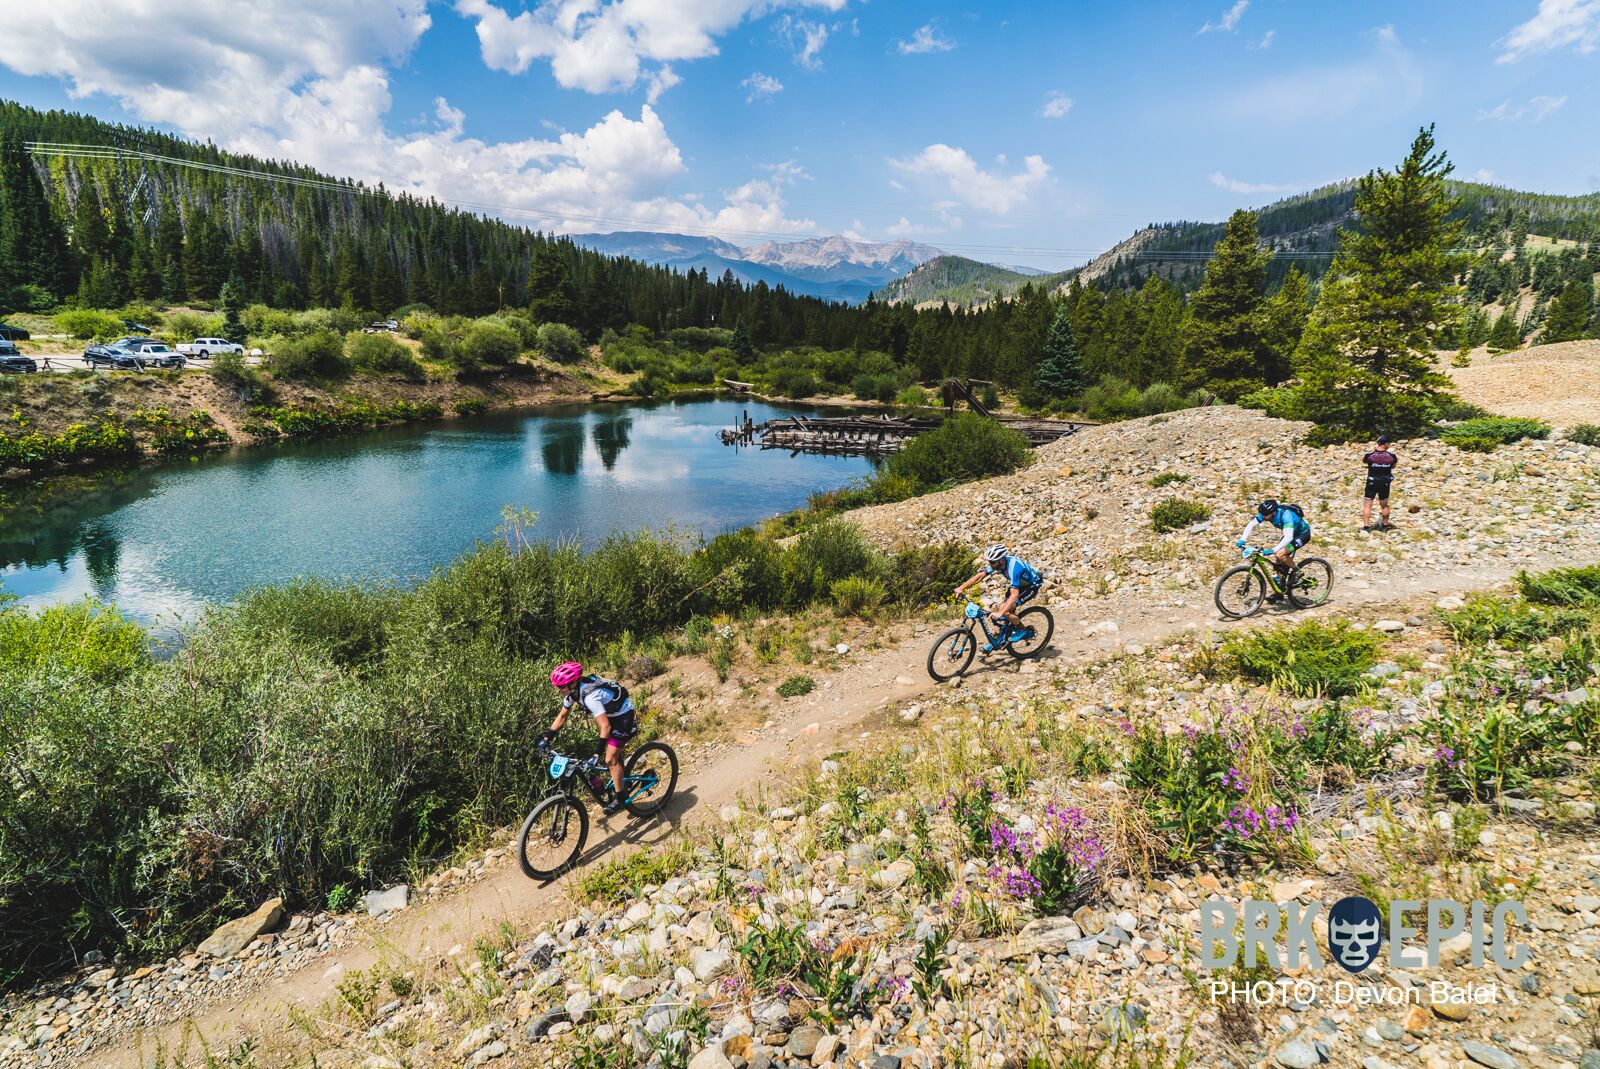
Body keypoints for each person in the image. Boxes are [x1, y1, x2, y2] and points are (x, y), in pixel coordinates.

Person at [544, 662, 638, 814]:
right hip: (609, 714)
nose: (558, 690)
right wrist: (546, 738)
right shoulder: (572, 694)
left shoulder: (590, 697)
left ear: (573, 683)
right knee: (610, 754)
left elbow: (605, 727)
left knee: (610, 758)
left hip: (623, 716)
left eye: (561, 686)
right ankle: (622, 780)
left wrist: (596, 754)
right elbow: (562, 716)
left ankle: (620, 798)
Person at [954, 543, 1044, 649]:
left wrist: (1001, 613)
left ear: (1001, 560)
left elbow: (1014, 595)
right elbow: (980, 576)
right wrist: (961, 588)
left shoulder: (1014, 568)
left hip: (1030, 587)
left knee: (1005, 611)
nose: (990, 564)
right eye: (989, 561)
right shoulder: (998, 563)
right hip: (1018, 584)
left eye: (992, 562)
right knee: (1002, 609)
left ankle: (1023, 630)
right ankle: (998, 640)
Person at [1236, 499, 1311, 602]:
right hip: (1290, 534)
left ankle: (1297, 571)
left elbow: (1288, 537)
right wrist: (1243, 539)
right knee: (1279, 564)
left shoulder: (1286, 516)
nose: (1263, 517)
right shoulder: (1267, 514)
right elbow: (1252, 524)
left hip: (1302, 535)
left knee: (1279, 554)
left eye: (1265, 515)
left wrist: (1273, 549)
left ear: (1274, 512)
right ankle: (1279, 592)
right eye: (1262, 514)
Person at [1361, 435, 1398, 532]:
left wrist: (1374, 450)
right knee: (1384, 505)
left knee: (1368, 505)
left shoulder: (1369, 455)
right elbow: (1393, 466)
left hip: (1372, 481)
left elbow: (1365, 462)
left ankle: (1366, 527)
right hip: (1385, 482)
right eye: (1389, 443)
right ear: (1386, 444)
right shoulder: (1392, 456)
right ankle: (1385, 525)